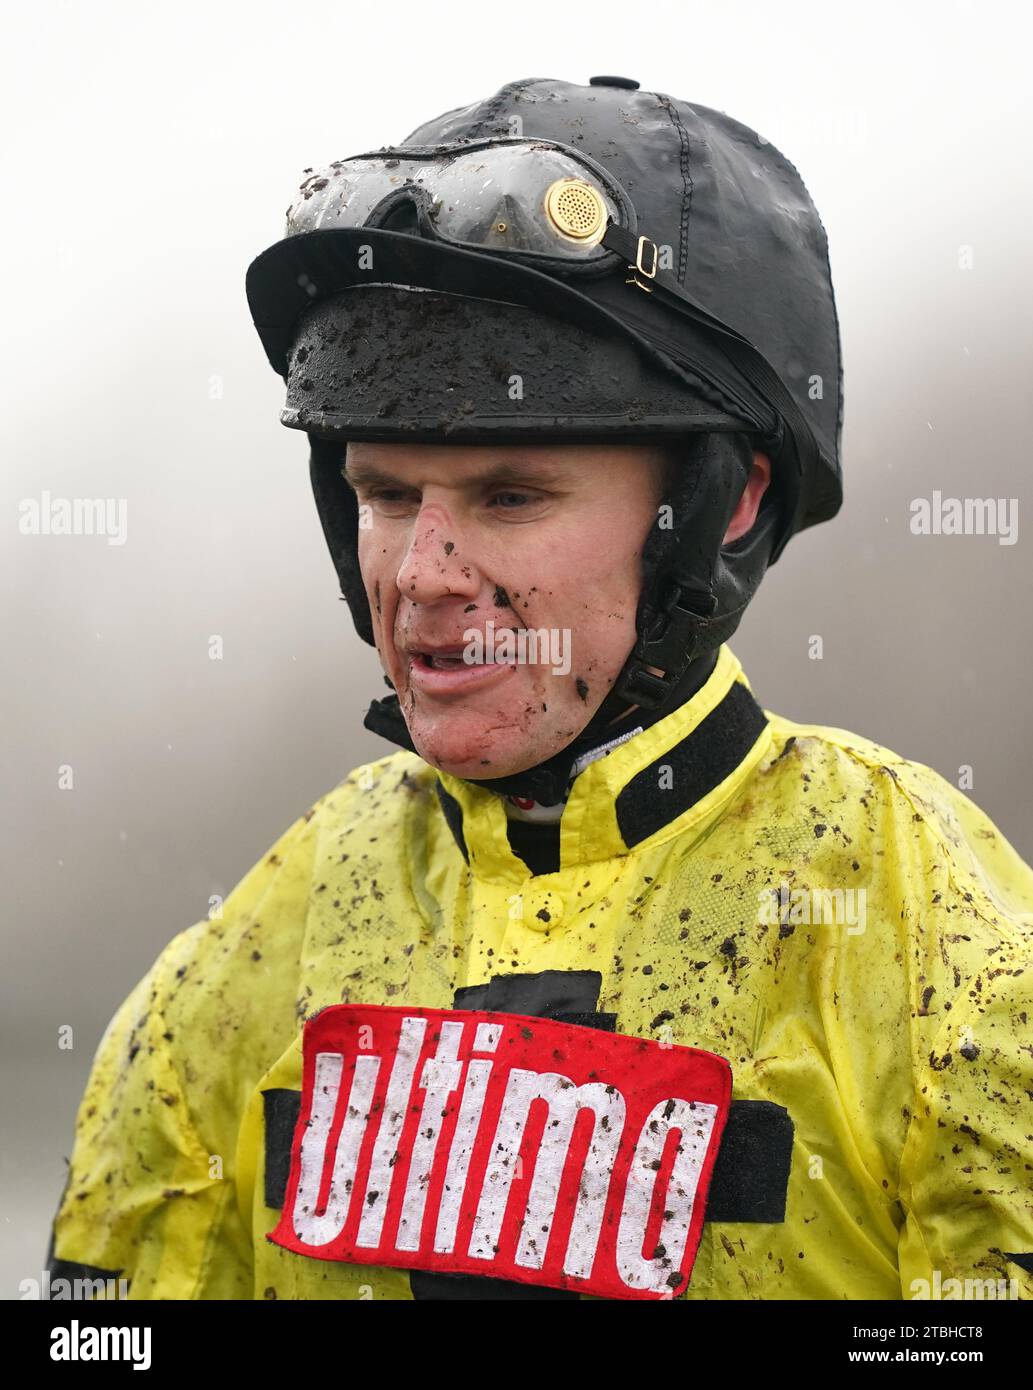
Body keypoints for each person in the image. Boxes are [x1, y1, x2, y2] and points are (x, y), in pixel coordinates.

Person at [47, 76, 1033, 1302]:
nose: (422, 576)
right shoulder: (256, 944)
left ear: (722, 504)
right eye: (385, 494)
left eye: (510, 498)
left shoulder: (927, 923)